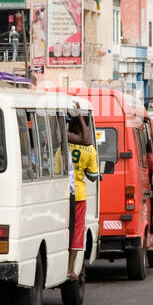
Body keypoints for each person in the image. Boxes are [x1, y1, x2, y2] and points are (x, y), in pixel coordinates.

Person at [67, 115, 98, 282]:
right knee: (77, 232)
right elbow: (93, 176)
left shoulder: (62, 142)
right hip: (78, 193)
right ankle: (70, 269)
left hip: (61, 193)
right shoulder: (90, 150)